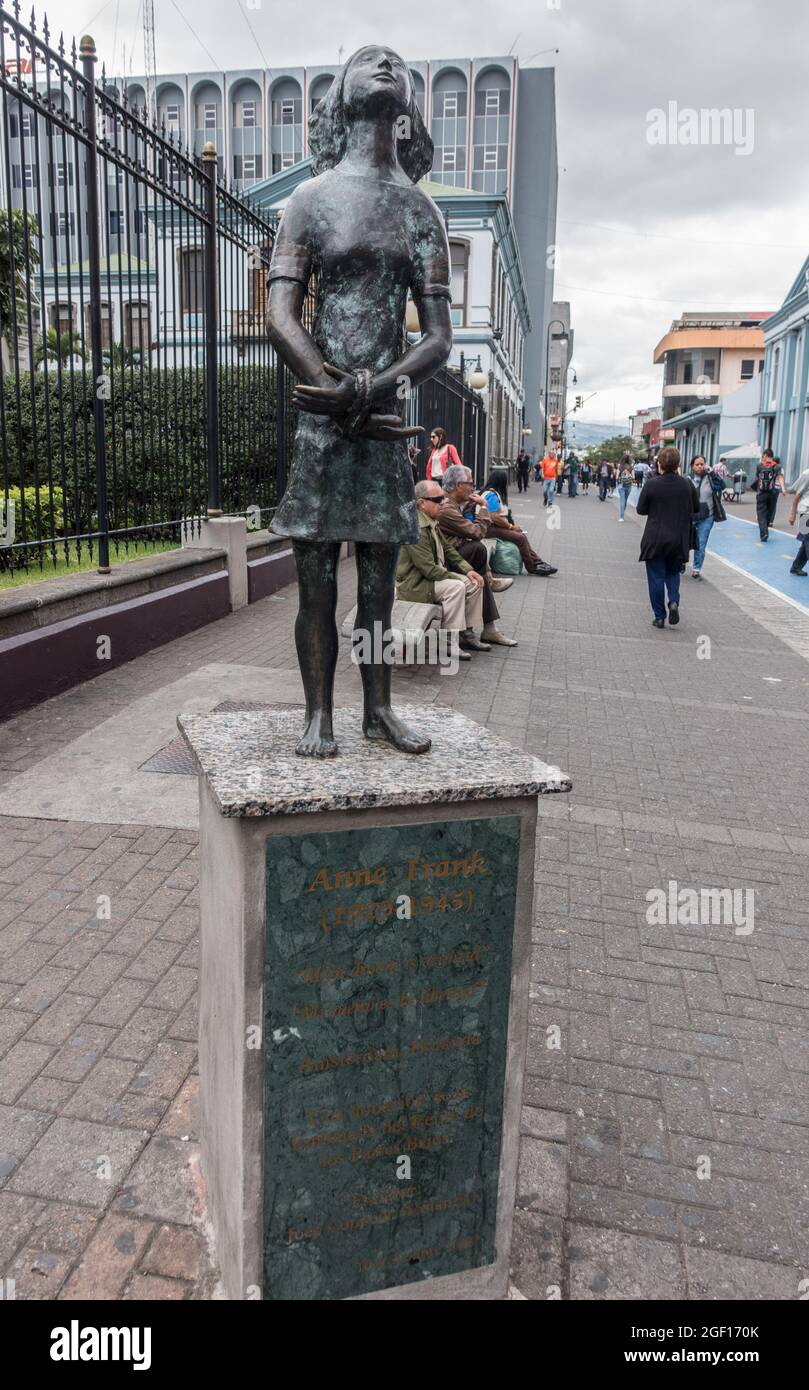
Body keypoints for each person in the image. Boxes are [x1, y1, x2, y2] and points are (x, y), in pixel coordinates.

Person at [266, 44, 452, 757]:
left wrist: (371, 386)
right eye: (368, 61)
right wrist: (330, 383)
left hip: (378, 424)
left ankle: (378, 709)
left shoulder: (419, 211)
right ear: (340, 94)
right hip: (324, 421)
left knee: (377, 582)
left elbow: (438, 337)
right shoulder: (309, 201)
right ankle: (319, 713)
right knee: (316, 581)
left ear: (407, 102)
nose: (386, 66)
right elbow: (281, 315)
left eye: (398, 63)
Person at [396, 481, 486, 657]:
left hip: (428, 580)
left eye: (443, 498)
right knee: (456, 587)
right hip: (415, 585)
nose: (443, 503)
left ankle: (465, 633)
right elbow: (428, 569)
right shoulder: (417, 529)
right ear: (422, 503)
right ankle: (446, 642)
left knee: (474, 583)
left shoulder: (431, 520)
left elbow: (448, 549)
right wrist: (457, 578)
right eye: (438, 499)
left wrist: (468, 571)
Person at [439, 463, 518, 646]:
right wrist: (483, 507)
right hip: (444, 561)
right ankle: (485, 630)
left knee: (479, 557)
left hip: (454, 555)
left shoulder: (455, 504)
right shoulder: (447, 508)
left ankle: (486, 629)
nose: (473, 487)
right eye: (470, 483)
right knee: (478, 549)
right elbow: (477, 532)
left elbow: (467, 534)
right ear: (458, 485)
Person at [636, 446, 700, 628]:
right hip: (678, 538)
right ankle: (673, 601)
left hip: (655, 538)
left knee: (655, 577)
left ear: (660, 464)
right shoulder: (687, 485)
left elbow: (641, 510)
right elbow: (696, 508)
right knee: (673, 573)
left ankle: (659, 616)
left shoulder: (652, 484)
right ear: (678, 464)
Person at [480, 470, 557, 575]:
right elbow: (494, 517)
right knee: (520, 538)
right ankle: (533, 567)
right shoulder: (492, 495)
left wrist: (511, 526)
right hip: (486, 529)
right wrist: (510, 527)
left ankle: (538, 563)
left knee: (521, 536)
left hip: (488, 527)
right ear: (501, 482)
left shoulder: (488, 492)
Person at [689, 454, 722, 579]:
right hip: (690, 516)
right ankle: (681, 562)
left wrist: (713, 473)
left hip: (707, 516)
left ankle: (696, 568)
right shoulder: (687, 479)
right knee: (685, 542)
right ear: (692, 466)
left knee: (701, 543)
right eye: (697, 464)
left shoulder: (710, 478)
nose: (700, 466)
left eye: (702, 464)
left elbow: (722, 486)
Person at [754, 448, 785, 541]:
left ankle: (764, 533)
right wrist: (783, 489)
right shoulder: (777, 466)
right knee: (769, 512)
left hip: (761, 493)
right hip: (772, 492)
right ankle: (766, 529)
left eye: (763, 456)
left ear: (766, 455)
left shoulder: (759, 466)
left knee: (761, 513)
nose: (763, 457)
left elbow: (757, 477)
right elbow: (780, 477)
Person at [787, 466, 809, 576]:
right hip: (805, 513)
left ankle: (796, 567)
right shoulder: (807, 474)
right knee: (808, 540)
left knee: (806, 541)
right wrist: (792, 513)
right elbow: (797, 495)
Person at [617, 456, 633, 520]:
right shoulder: (631, 468)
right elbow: (633, 477)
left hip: (621, 486)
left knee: (622, 501)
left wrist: (621, 477)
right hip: (629, 486)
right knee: (625, 501)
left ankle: (621, 517)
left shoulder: (620, 467)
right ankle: (623, 513)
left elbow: (616, 477)